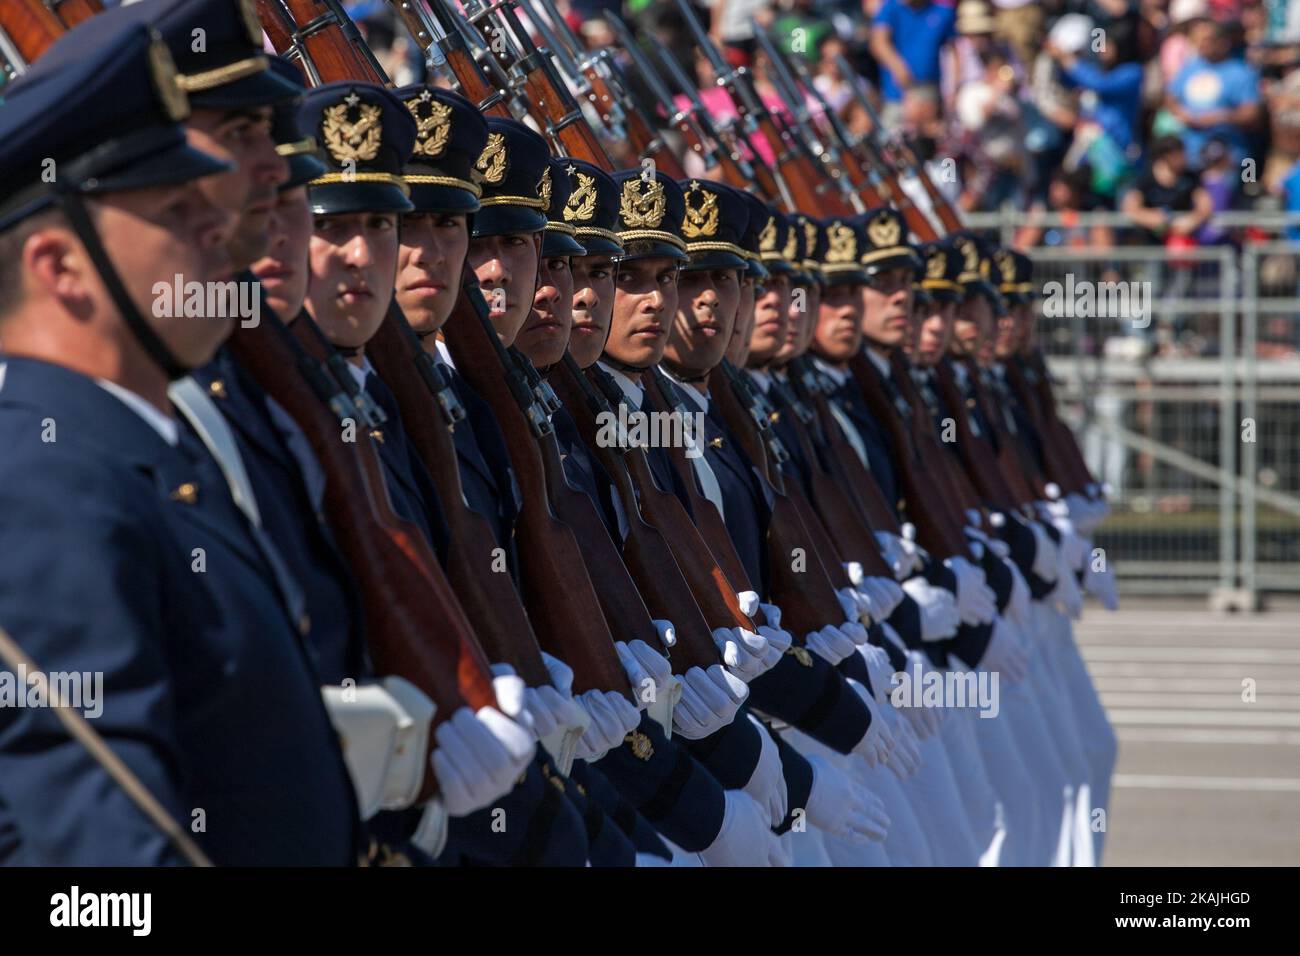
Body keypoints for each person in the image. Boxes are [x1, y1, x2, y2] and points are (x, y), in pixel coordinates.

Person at [0, 16, 360, 866]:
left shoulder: (150, 452)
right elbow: (96, 876)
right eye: (174, 206)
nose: (220, 226)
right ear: (60, 267)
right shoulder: (41, 485)